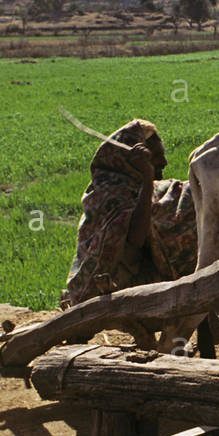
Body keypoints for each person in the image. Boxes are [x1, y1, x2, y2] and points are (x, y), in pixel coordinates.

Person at [61, 119, 197, 308]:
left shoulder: (134, 186)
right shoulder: (109, 196)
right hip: (116, 285)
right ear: (132, 161)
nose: (164, 162)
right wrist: (148, 178)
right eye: (156, 156)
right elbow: (135, 239)